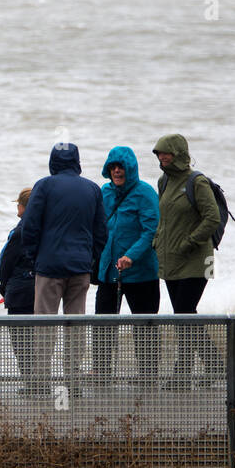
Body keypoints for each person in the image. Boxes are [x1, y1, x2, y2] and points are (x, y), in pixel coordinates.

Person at [20, 142, 107, 396]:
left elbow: (30, 226)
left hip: (49, 268)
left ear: (53, 161)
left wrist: (33, 257)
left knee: (45, 326)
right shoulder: (92, 189)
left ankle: (41, 384)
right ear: (77, 161)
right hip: (80, 268)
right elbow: (101, 231)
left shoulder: (44, 186)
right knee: (75, 324)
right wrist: (92, 261)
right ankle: (73, 382)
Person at [152, 133, 224, 389]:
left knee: (184, 315)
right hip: (171, 261)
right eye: (159, 154)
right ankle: (212, 366)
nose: (162, 158)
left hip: (196, 262)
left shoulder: (197, 182)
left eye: (166, 153)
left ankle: (182, 375)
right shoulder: (164, 182)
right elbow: (165, 217)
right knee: (185, 316)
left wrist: (189, 242)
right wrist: (157, 240)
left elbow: (212, 218)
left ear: (179, 153)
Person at [91, 147, 160, 385]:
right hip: (108, 272)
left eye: (121, 166)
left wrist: (131, 256)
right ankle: (101, 373)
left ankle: (148, 375)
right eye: (113, 167)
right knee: (102, 325)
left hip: (141, 273)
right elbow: (98, 228)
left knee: (145, 327)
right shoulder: (104, 192)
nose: (117, 170)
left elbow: (151, 231)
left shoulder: (145, 193)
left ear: (131, 168)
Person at [0, 187, 40, 395]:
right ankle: (39, 382)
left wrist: (3, 287)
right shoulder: (44, 229)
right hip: (40, 289)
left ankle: (31, 385)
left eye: (18, 204)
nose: (17, 208)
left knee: (21, 342)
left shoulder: (20, 232)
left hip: (19, 291)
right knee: (37, 339)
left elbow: (6, 262)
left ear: (24, 207)